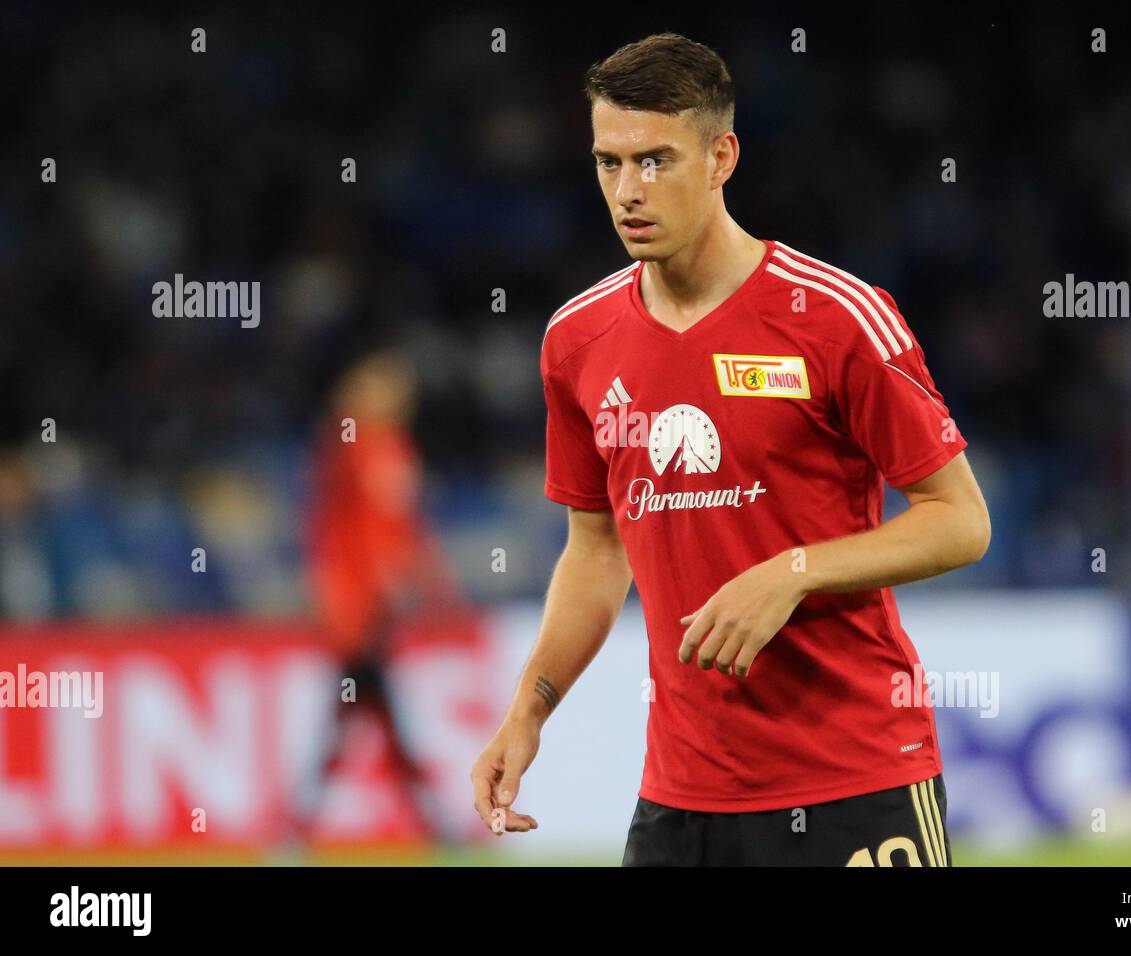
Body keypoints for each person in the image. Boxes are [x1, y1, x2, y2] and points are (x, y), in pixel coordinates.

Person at [471, 33, 990, 866]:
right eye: (609, 163)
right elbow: (595, 552)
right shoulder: (577, 340)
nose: (628, 192)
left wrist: (791, 573)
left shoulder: (836, 318)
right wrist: (528, 712)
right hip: (682, 804)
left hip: (851, 782)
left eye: (655, 161)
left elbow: (960, 521)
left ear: (721, 157)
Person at [297, 349, 464, 846]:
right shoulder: (351, 444)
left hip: (377, 611)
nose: (398, 396)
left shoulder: (391, 446)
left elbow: (406, 531)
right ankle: (437, 828)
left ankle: (297, 832)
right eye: (385, 385)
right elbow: (338, 528)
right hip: (359, 611)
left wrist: (435, 592)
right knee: (368, 714)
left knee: (364, 714)